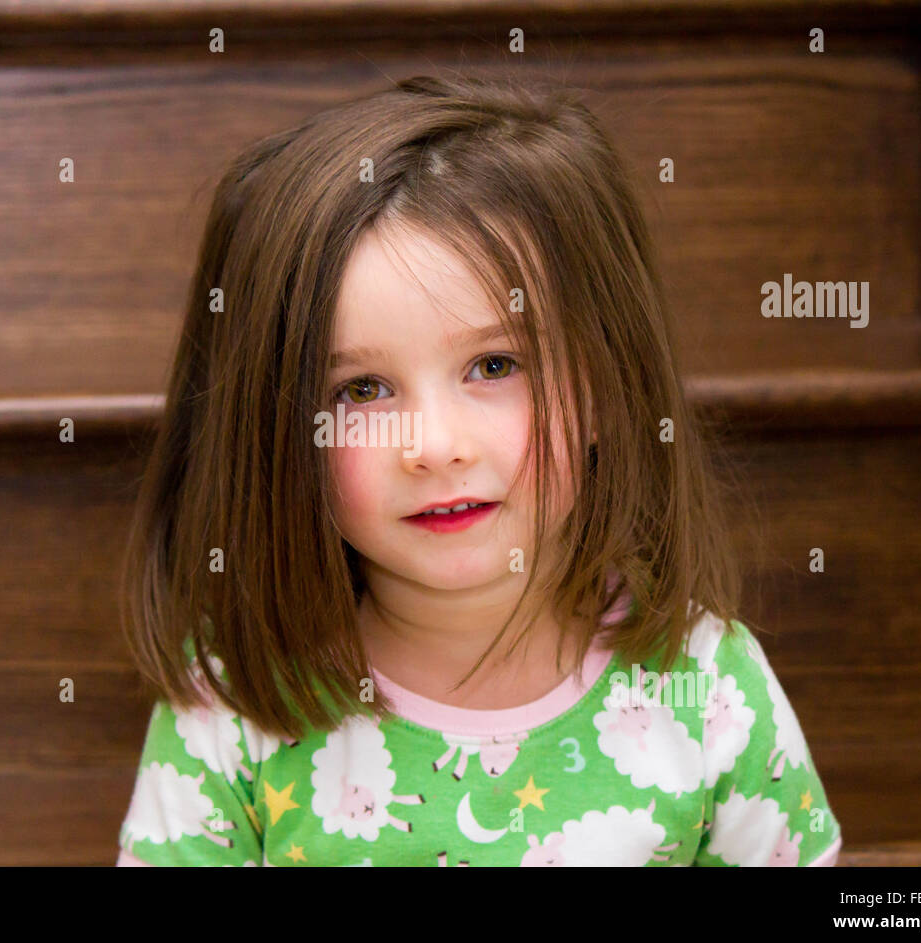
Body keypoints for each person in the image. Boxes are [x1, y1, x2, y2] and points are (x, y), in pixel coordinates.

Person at [114, 74, 842, 866]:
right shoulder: (232, 704)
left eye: (495, 365)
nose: (435, 446)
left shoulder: (705, 684)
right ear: (279, 435)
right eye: (362, 390)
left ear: (605, 383)